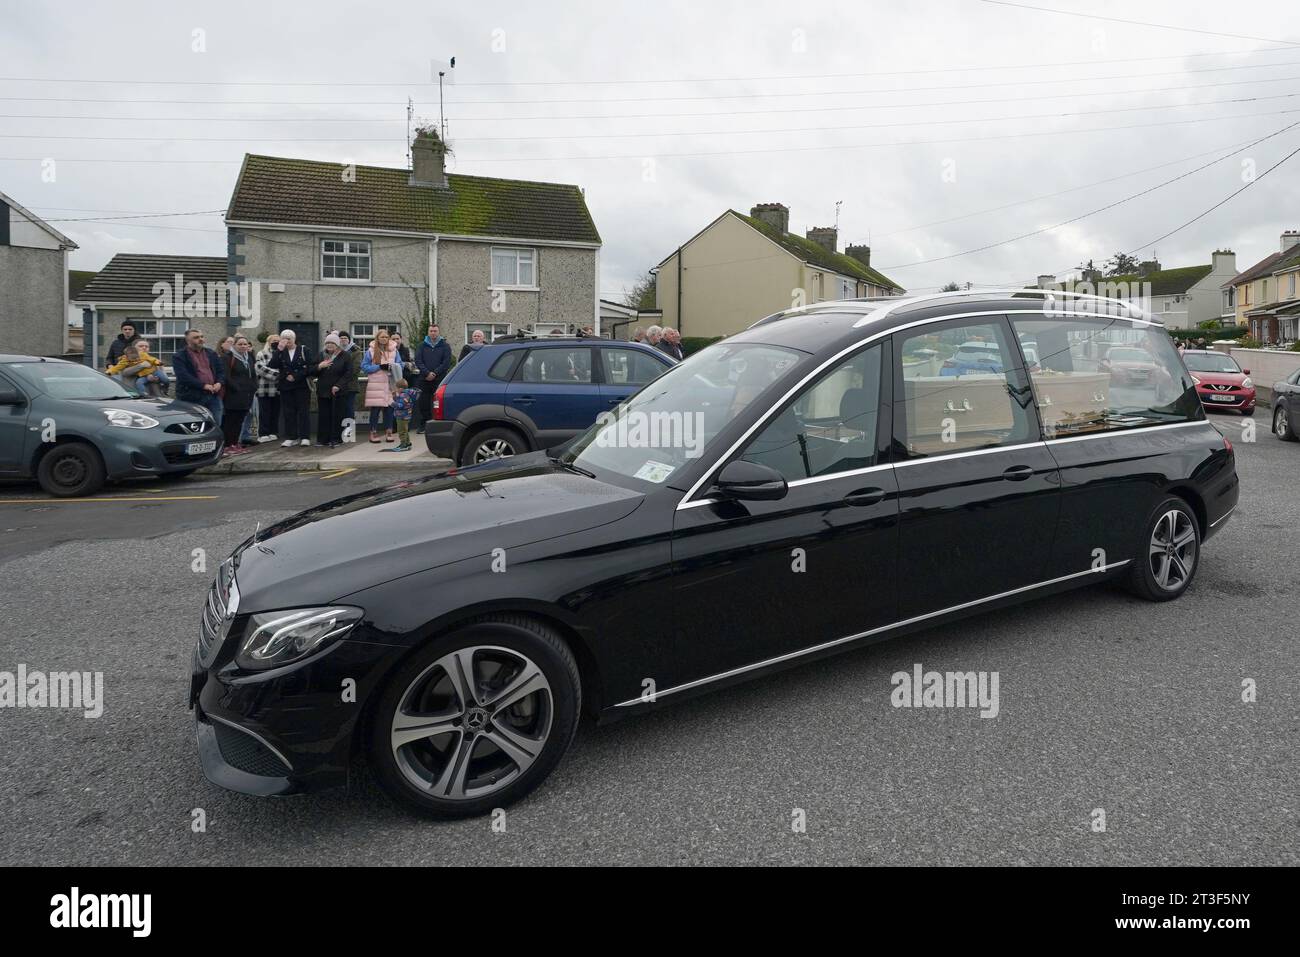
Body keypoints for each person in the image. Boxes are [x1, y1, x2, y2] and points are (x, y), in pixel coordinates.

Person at [171, 329, 226, 422]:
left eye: (202, 336)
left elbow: (221, 371)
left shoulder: (211, 353)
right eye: (196, 337)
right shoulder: (179, 356)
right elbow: (183, 376)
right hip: (191, 397)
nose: (200, 339)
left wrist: (219, 383)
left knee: (216, 424)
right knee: (194, 425)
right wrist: (203, 385)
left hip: (213, 396)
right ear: (188, 341)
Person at [270, 329, 312, 447]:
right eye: (284, 338)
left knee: (303, 411)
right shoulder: (280, 352)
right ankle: (291, 437)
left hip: (301, 386)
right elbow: (272, 365)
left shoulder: (304, 350)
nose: (287, 341)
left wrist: (296, 376)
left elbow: (310, 367)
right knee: (289, 412)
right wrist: (279, 350)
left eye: (289, 338)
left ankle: (305, 436)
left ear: (294, 339)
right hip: (286, 386)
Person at [361, 328, 402, 443]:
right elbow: (364, 367)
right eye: (382, 337)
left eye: (386, 337)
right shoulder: (370, 351)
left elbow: (400, 364)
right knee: (375, 409)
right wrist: (379, 367)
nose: (384, 339)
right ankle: (373, 432)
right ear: (377, 338)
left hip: (390, 383)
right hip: (376, 384)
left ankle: (389, 431)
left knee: (389, 409)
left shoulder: (394, 350)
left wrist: (393, 366)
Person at [310, 333, 351, 447]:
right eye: (327, 343)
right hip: (323, 390)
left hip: (338, 391)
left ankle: (336, 438)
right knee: (324, 415)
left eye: (332, 343)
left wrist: (339, 385)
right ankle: (323, 439)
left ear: (337, 344)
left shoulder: (345, 355)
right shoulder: (320, 355)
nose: (329, 345)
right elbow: (311, 370)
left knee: (337, 415)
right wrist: (319, 366)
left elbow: (348, 373)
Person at [221, 335, 256, 454]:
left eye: (245, 344)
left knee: (239, 421)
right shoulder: (228, 357)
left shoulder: (249, 357)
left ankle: (235, 444)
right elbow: (226, 376)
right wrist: (236, 387)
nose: (243, 346)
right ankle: (227, 445)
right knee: (230, 421)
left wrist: (254, 387)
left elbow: (253, 374)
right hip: (233, 395)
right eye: (240, 344)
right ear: (234, 345)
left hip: (247, 395)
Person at [413, 323, 452, 431]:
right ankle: (424, 424)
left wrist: (434, 373)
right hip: (424, 379)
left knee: (437, 402)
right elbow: (418, 361)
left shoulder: (445, 346)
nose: (433, 333)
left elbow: (446, 362)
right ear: (428, 332)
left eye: (435, 331)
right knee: (423, 403)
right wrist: (427, 373)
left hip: (439, 379)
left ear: (438, 332)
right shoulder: (422, 346)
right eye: (431, 331)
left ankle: (437, 424)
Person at [254, 334, 281, 444]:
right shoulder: (262, 353)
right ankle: (263, 433)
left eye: (278, 341)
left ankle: (273, 432)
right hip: (264, 388)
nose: (276, 342)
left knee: (275, 412)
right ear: (268, 341)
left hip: (277, 389)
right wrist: (278, 374)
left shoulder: (281, 353)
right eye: (274, 340)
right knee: (264, 412)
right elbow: (260, 368)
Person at [386, 377, 421, 452]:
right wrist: (395, 396)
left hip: (402, 416)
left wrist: (391, 403)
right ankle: (407, 443)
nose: (396, 390)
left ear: (401, 388)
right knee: (405, 430)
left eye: (397, 388)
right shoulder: (406, 394)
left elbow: (400, 405)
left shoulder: (403, 395)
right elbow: (401, 402)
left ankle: (403, 445)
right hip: (406, 416)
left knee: (401, 431)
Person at [337, 331, 361, 440]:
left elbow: (356, 368)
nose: (343, 340)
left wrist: (342, 378)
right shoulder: (335, 350)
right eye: (341, 338)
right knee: (340, 409)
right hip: (337, 386)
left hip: (350, 385)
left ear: (349, 339)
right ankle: (339, 432)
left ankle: (349, 434)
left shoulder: (355, 351)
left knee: (349, 409)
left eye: (345, 338)